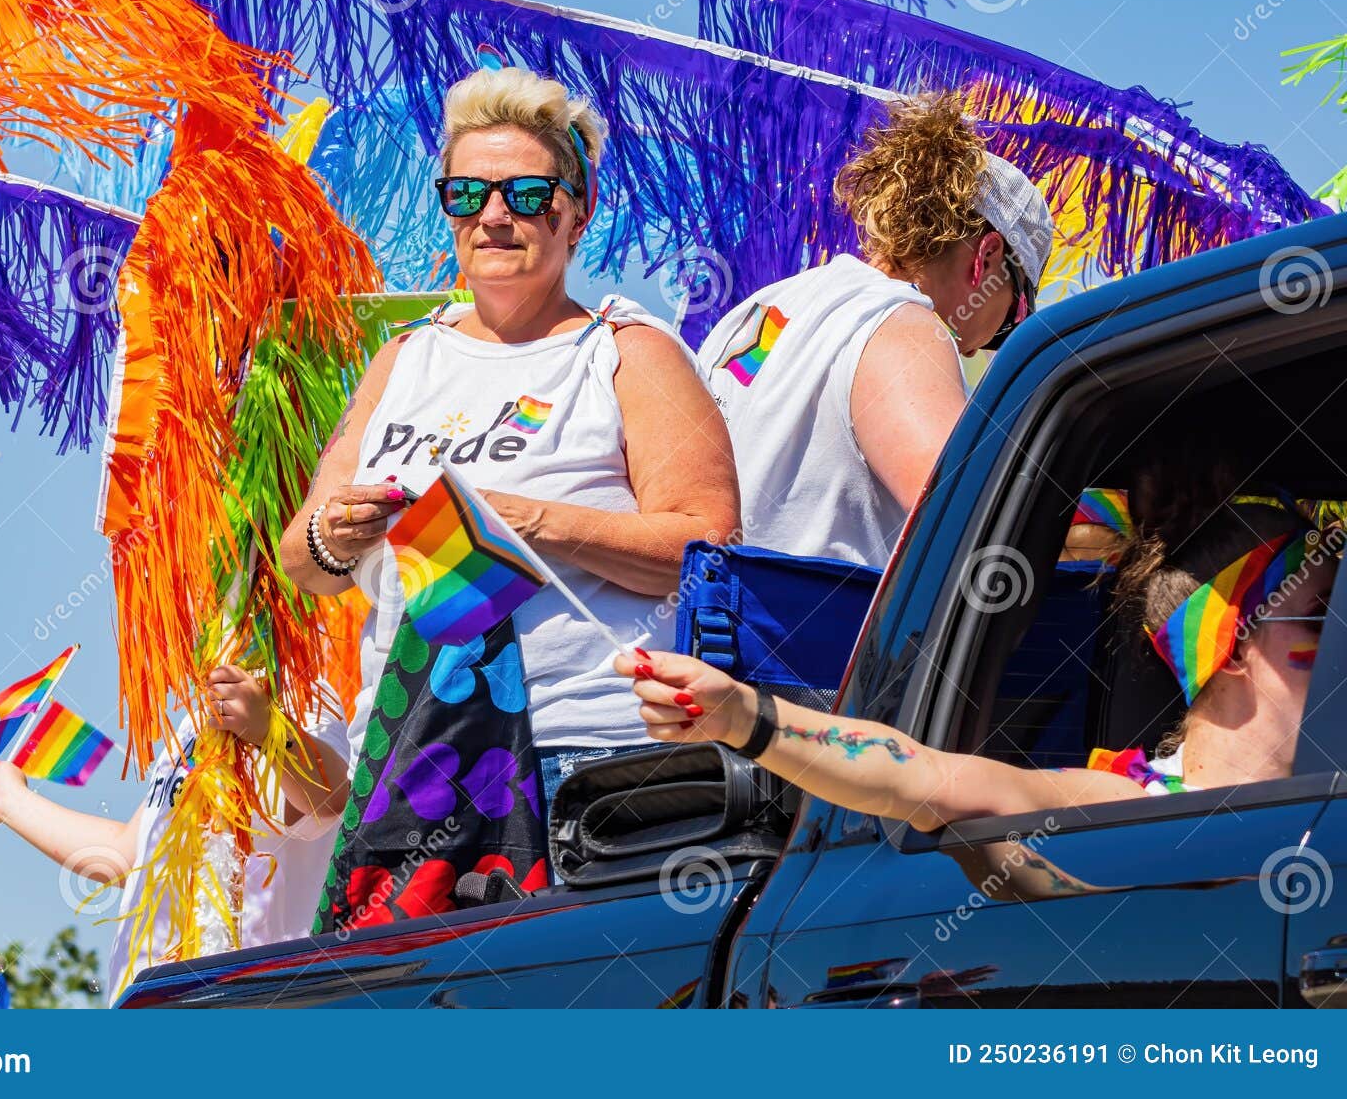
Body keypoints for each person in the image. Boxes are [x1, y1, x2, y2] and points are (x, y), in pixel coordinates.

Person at [278, 63, 739, 918]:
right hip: (412, 756)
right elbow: (302, 557)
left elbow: (706, 548)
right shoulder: (404, 358)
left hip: (579, 755)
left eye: (527, 194)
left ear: (577, 208)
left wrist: (525, 521)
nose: (495, 216)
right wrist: (336, 535)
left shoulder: (629, 352)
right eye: (468, 195)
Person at [616, 493, 1337, 826]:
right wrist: (747, 716)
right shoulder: (1136, 807)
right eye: (1326, 613)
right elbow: (920, 777)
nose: (1339, 633)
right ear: (1231, 646)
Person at [698, 89, 1053, 566]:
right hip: (817, 637)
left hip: (714, 630)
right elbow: (974, 521)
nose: (978, 351)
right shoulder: (903, 325)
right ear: (986, 258)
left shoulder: (757, 311)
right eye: (1011, 322)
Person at [0, 665, 348, 1002]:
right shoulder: (193, 723)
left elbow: (327, 801)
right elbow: (127, 857)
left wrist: (267, 728)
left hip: (238, 1001)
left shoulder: (300, 694)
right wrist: (12, 802)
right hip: (148, 1000)